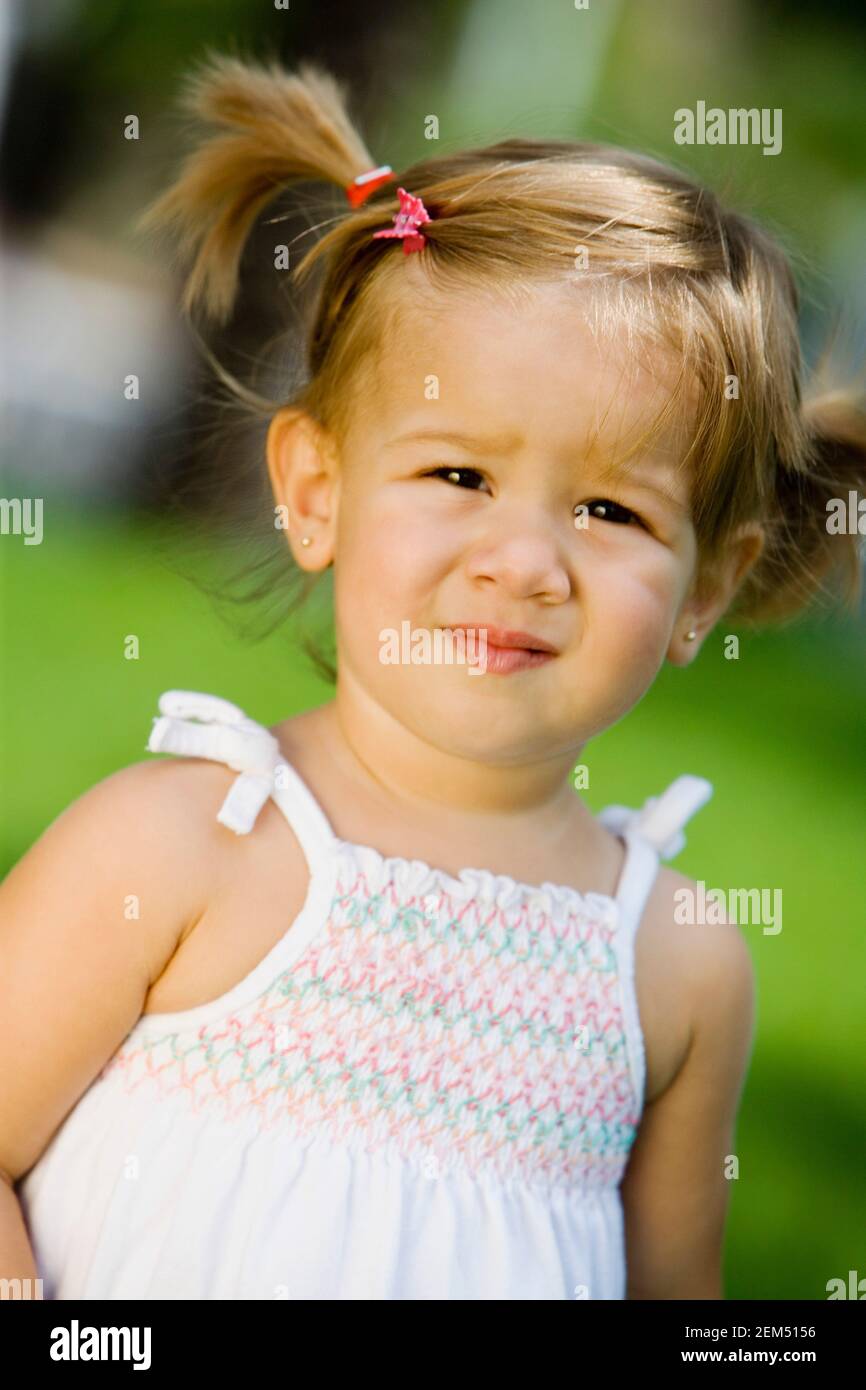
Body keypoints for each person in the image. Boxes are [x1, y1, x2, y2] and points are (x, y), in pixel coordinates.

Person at [2, 55, 865, 1301]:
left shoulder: (672, 968)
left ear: (707, 591)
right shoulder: (174, 850)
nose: (524, 563)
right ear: (313, 491)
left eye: (610, 509)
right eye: (459, 476)